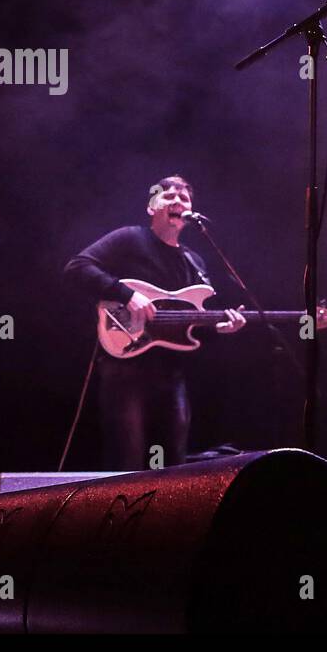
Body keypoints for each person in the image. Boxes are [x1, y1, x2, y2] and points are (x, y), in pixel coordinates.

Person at [63, 175, 243, 471]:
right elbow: (77, 267)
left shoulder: (194, 261)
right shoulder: (129, 238)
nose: (178, 201)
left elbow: (190, 323)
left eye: (184, 198)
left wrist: (220, 329)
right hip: (125, 369)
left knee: (174, 468)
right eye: (169, 196)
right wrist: (127, 294)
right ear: (151, 207)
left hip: (171, 376)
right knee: (128, 465)